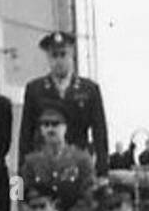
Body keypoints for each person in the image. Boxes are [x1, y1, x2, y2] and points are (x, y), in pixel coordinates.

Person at [17, 30, 109, 173]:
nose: (59, 61)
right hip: (43, 169)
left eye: (63, 54)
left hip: (78, 168)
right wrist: (17, 191)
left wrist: (103, 173)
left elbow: (100, 134)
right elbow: (25, 138)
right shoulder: (35, 89)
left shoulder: (89, 90)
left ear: (71, 54)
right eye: (54, 56)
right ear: (48, 57)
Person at [19, 102, 97, 211]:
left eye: (55, 124)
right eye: (45, 125)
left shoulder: (83, 159)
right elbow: (17, 196)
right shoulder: (29, 161)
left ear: (65, 127)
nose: (50, 129)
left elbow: (90, 197)